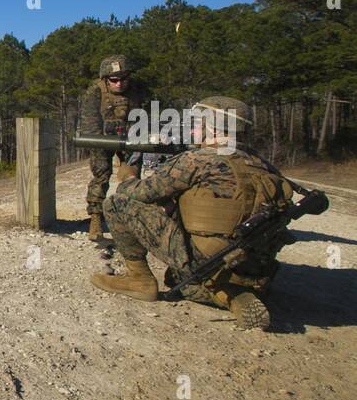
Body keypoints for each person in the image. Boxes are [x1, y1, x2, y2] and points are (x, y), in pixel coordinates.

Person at [91, 96, 300, 331]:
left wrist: (127, 175)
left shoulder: (197, 160)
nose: (193, 128)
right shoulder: (264, 166)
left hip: (208, 260)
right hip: (254, 265)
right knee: (177, 279)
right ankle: (233, 292)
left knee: (117, 204)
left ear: (210, 126)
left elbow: (138, 194)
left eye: (197, 122)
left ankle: (140, 281)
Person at [78, 55, 148, 241]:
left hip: (130, 137)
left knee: (132, 176)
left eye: (123, 79)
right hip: (102, 138)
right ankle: (95, 218)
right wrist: (95, 142)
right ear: (105, 80)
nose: (119, 84)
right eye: (114, 80)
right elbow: (89, 120)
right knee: (101, 175)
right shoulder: (95, 91)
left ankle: (130, 218)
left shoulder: (138, 89)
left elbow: (146, 114)